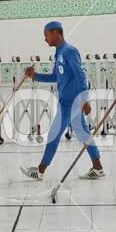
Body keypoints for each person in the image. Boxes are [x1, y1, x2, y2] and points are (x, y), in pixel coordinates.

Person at [21, 21, 105, 181]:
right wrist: (35, 76)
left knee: (54, 134)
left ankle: (40, 171)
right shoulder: (59, 53)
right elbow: (55, 77)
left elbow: (81, 76)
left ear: (55, 33)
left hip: (71, 102)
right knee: (83, 133)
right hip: (66, 101)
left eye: (46, 35)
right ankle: (98, 167)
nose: (45, 39)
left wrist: (83, 100)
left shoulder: (69, 51)